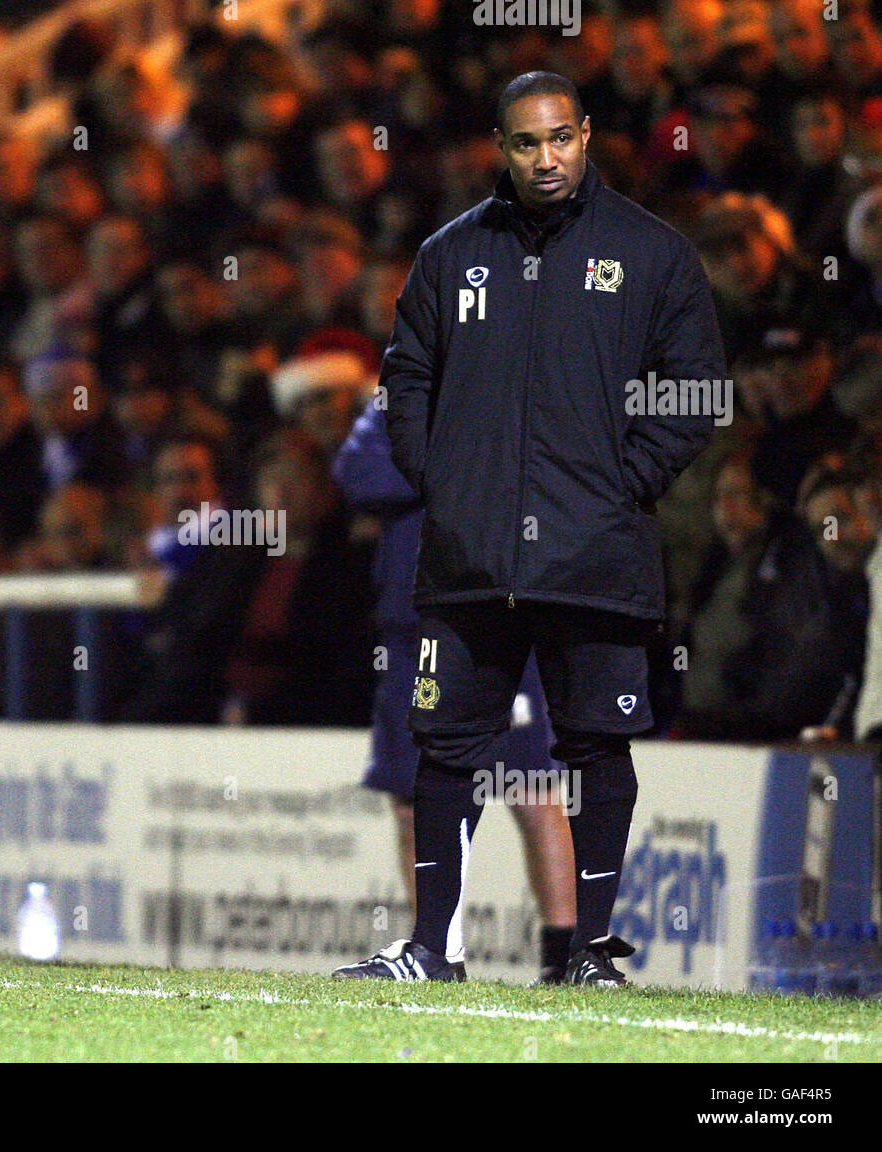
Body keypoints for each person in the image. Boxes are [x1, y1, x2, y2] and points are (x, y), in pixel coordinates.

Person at [333, 72, 725, 987]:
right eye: (524, 144)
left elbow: (695, 392)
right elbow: (407, 380)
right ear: (499, 149)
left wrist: (622, 487)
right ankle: (434, 951)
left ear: (586, 135)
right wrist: (448, 483)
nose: (544, 159)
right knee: (445, 749)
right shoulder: (448, 254)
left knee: (593, 748)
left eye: (560, 139)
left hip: (596, 559)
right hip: (471, 562)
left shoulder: (652, 253)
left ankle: (588, 954)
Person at [334, 397, 577, 984]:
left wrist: (432, 463)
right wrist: (462, 461)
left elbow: (532, 474)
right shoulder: (402, 387)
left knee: (529, 783)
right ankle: (434, 951)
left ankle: (567, 959)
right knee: (408, 793)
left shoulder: (507, 374)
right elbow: (355, 471)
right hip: (407, 622)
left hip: (493, 606)